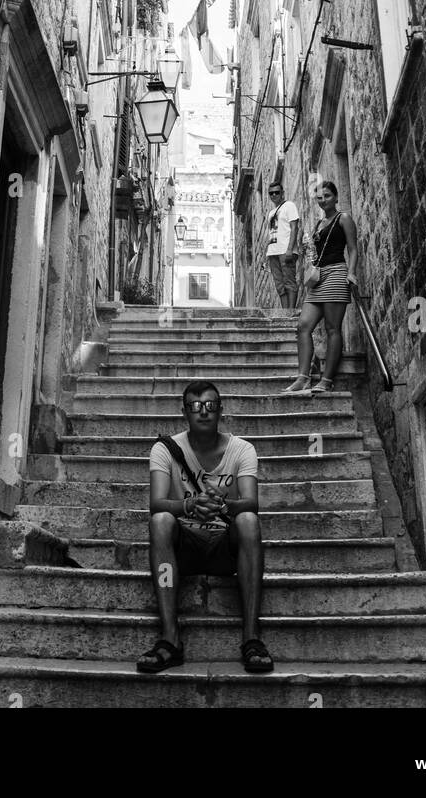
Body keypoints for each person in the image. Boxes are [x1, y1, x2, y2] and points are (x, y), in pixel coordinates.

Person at [136, 379, 274, 675]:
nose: (203, 411)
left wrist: (223, 506)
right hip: (184, 550)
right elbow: (156, 504)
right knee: (160, 521)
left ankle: (252, 638)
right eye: (195, 406)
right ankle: (170, 638)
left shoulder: (242, 449)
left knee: (248, 520)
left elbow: (251, 503)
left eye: (210, 405)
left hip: (225, 548)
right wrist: (189, 505)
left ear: (221, 410)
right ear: (184, 412)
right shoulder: (165, 449)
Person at [281, 179, 358, 394]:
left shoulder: (344, 218)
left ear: (336, 197)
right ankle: (303, 378)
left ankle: (327, 380)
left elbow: (353, 249)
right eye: (319, 198)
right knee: (303, 326)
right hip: (318, 278)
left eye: (327, 196)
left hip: (336, 274)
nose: (323, 200)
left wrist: (351, 273)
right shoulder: (318, 224)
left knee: (333, 328)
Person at [266, 179, 300, 309]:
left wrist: (290, 249)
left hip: (285, 250)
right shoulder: (271, 213)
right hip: (273, 252)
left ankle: (291, 312)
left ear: (282, 193)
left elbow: (294, 227)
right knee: (279, 285)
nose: (274, 195)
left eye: (277, 192)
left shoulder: (289, 205)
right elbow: (271, 234)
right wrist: (267, 253)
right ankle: (285, 313)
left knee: (289, 282)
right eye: (271, 193)